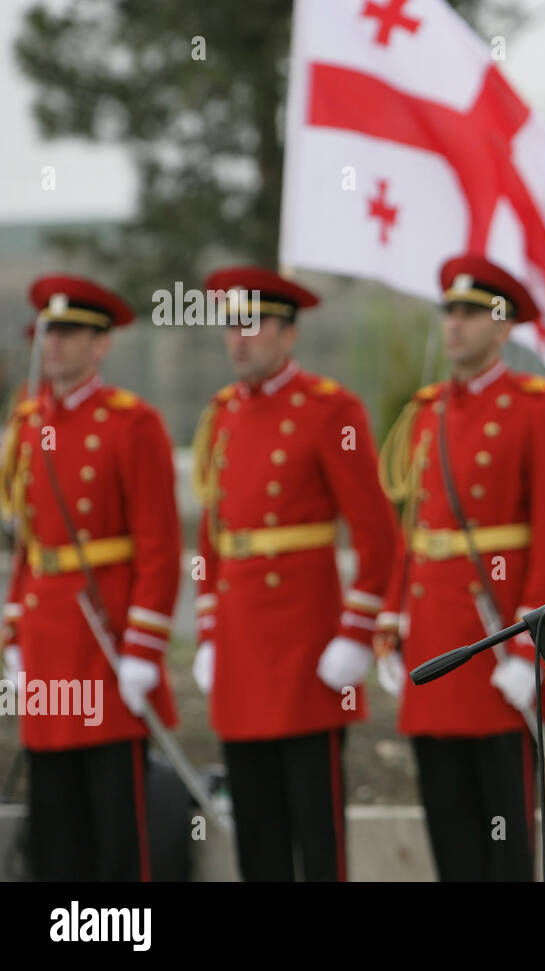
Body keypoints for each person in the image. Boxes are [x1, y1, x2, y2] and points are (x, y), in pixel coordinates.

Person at [190, 266, 398, 881]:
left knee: (316, 830)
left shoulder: (330, 409)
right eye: (231, 325)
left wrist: (356, 634)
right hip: (241, 647)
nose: (239, 339)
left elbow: (378, 536)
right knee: (256, 831)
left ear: (288, 333)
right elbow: (212, 537)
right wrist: (206, 629)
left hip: (309, 651)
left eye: (253, 325)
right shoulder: (222, 415)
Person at [375, 254, 545, 881]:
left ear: (502, 327)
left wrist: (527, 653)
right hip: (435, 641)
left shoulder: (536, 407)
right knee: (449, 825)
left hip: (494, 650)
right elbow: (412, 529)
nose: (454, 325)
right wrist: (390, 618)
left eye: (470, 313)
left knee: (507, 833)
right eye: (449, 312)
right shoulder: (427, 411)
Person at [0, 274, 181, 880]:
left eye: (70, 332)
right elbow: (28, 546)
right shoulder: (26, 428)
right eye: (48, 332)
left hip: (105, 644)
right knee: (54, 823)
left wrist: (145, 647)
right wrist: (15, 634)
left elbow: (159, 544)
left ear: (99, 345)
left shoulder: (132, 424)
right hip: (50, 644)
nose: (53, 344)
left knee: (115, 826)